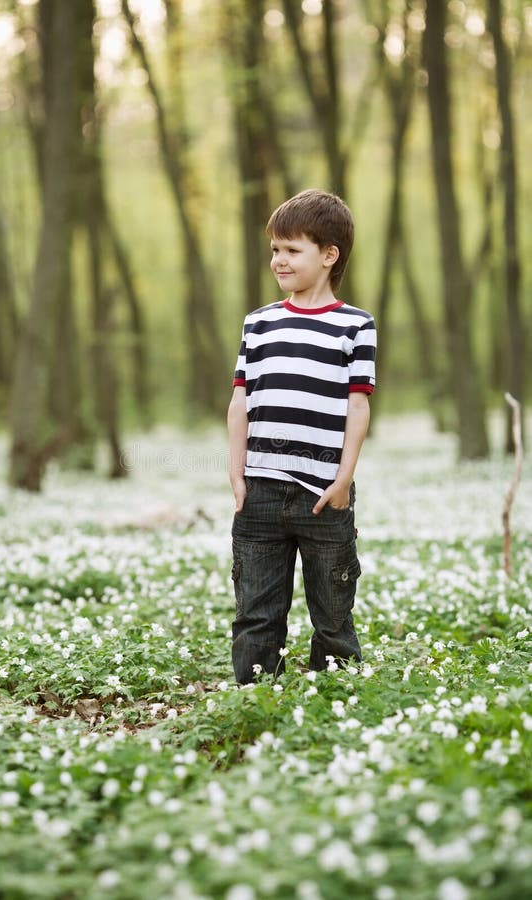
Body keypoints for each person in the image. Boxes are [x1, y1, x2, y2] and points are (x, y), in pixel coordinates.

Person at [227, 188, 376, 684]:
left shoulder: (355, 326)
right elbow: (240, 400)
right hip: (261, 490)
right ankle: (254, 701)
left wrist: (343, 479)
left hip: (324, 495)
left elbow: (358, 405)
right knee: (256, 614)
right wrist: (237, 469)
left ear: (329, 255)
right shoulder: (260, 323)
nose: (278, 260)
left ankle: (334, 700)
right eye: (274, 249)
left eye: (292, 250)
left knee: (333, 615)